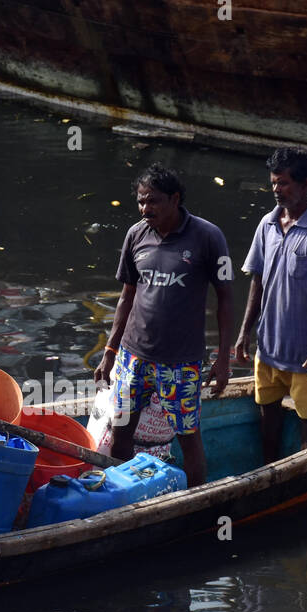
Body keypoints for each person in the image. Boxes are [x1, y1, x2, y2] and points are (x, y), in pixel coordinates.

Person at [94, 164, 233, 488]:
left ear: (175, 199)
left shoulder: (208, 237)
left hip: (181, 363)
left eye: (153, 202)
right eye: (141, 202)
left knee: (188, 436)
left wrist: (223, 358)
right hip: (133, 357)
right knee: (121, 430)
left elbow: (225, 298)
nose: (146, 209)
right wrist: (110, 351)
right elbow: (126, 296)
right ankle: (120, 499)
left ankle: (196, 501)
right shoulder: (136, 235)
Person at [233, 148, 307, 462]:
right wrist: (244, 333)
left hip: (305, 357)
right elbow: (258, 280)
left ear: (305, 185)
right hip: (267, 350)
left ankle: (301, 481)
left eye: (284, 184)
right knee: (268, 422)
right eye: (273, 184)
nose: (277, 190)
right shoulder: (267, 225)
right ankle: (269, 473)